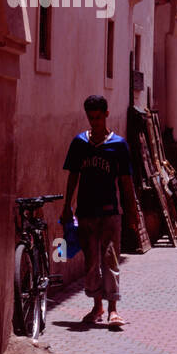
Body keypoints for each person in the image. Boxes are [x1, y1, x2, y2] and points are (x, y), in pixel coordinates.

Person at [62, 95, 137, 328]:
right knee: (92, 262)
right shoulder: (79, 143)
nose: (94, 122)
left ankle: (113, 309)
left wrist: (132, 212)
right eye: (90, 118)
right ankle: (97, 306)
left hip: (110, 212)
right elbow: (73, 176)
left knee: (110, 260)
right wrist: (67, 206)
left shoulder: (119, 145)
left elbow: (126, 181)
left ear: (106, 114)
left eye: (98, 117)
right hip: (85, 212)